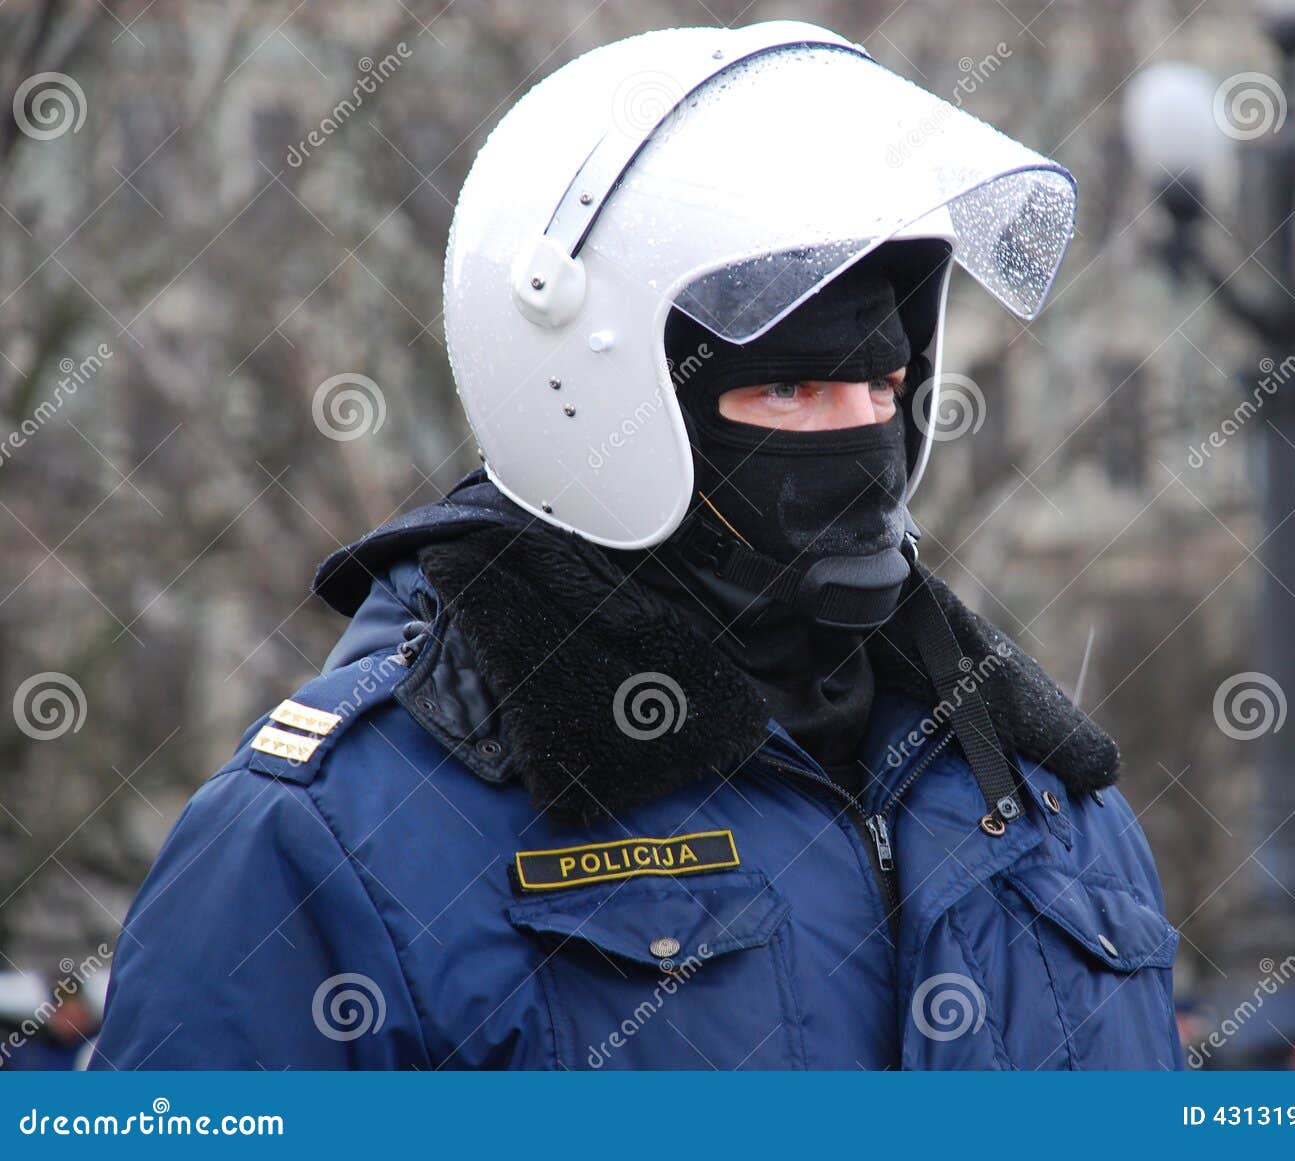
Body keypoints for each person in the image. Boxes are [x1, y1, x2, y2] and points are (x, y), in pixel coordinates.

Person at [92, 20, 1181, 1070]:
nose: (858, 432)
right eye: (790, 385)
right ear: (591, 393)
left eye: (881, 383)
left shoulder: (1052, 806)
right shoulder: (331, 835)